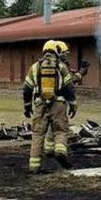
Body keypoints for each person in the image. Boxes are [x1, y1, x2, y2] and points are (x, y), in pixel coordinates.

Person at [23, 40, 77, 173]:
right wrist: (73, 103)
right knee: (60, 130)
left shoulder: (35, 67)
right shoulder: (61, 67)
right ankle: (60, 151)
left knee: (37, 134)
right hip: (58, 104)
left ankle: (34, 166)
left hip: (40, 104)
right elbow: (69, 87)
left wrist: (27, 105)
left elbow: (27, 88)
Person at [42, 40, 89, 157]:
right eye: (64, 53)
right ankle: (60, 151)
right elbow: (69, 84)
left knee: (51, 125)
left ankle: (48, 149)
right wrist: (81, 72)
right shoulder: (60, 66)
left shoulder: (41, 65)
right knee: (60, 127)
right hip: (59, 101)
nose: (66, 56)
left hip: (44, 101)